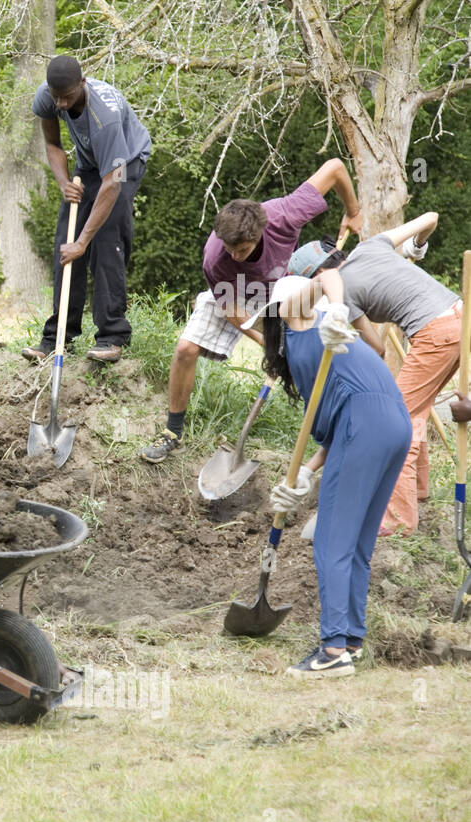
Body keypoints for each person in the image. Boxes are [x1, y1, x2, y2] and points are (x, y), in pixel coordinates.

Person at [139, 159, 364, 463]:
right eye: (229, 248)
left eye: (241, 250)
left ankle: (338, 438)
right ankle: (173, 433)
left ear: (260, 231)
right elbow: (232, 310)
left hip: (279, 291)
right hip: (233, 295)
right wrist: (266, 345)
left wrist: (353, 212)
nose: (234, 254)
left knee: (317, 353)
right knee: (185, 348)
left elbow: (335, 168)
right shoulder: (216, 259)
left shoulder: (285, 214)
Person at [252, 272, 409, 678]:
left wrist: (336, 306)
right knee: (356, 542)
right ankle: (351, 640)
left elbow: (326, 275)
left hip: (367, 423)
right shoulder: (320, 359)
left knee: (330, 541)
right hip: (393, 424)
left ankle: (333, 649)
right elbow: (341, 426)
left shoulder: (302, 318)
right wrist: (304, 473)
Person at [285, 212, 461, 536]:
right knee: (415, 411)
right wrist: (416, 248)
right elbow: (432, 218)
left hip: (435, 335)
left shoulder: (342, 294)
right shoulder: (370, 246)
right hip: (458, 315)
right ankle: (418, 491)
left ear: (317, 277)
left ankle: (398, 522)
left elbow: (377, 348)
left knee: (398, 423)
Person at [20, 55, 151, 366]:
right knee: (65, 245)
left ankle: (112, 336)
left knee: (105, 239)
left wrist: (84, 242)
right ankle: (56, 338)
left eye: (67, 96)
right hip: (89, 163)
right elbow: (53, 144)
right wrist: (65, 182)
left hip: (125, 163)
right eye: (56, 97)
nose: (61, 104)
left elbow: (112, 184)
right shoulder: (48, 97)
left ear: (82, 82)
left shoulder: (103, 117)